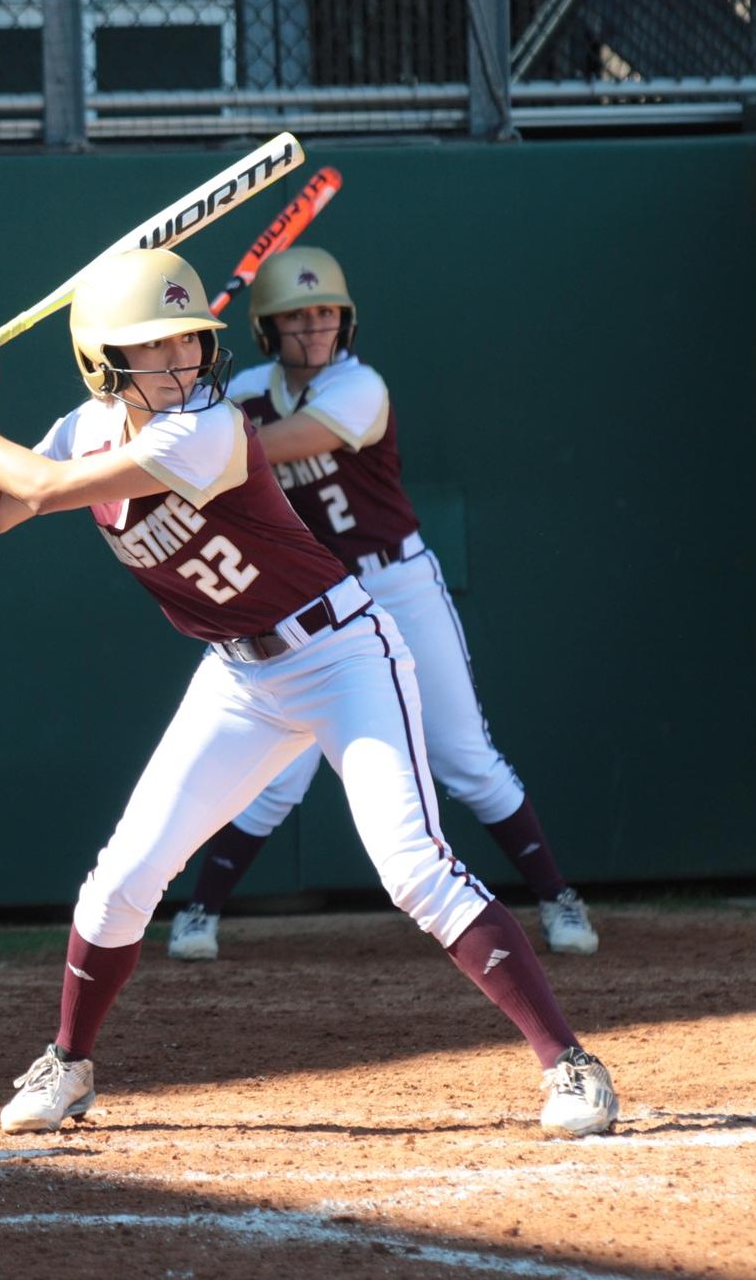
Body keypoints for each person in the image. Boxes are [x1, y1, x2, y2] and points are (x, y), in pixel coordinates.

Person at [0, 246, 618, 1138]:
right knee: (122, 879)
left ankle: (570, 1065)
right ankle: (69, 1062)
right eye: (154, 348)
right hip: (240, 675)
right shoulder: (86, 427)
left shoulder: (202, 428)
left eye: (190, 343)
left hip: (344, 655)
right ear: (103, 363)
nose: (183, 362)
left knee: (412, 867)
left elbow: (39, 485)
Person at [167, 246, 597, 966]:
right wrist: (180, 386)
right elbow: (181, 436)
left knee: (464, 757)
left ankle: (556, 896)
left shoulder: (359, 387)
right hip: (312, 600)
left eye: (326, 313)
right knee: (278, 775)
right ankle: (199, 911)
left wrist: (196, 436)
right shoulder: (242, 390)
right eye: (296, 316)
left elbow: (271, 447)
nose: (314, 328)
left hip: (395, 581)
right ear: (267, 328)